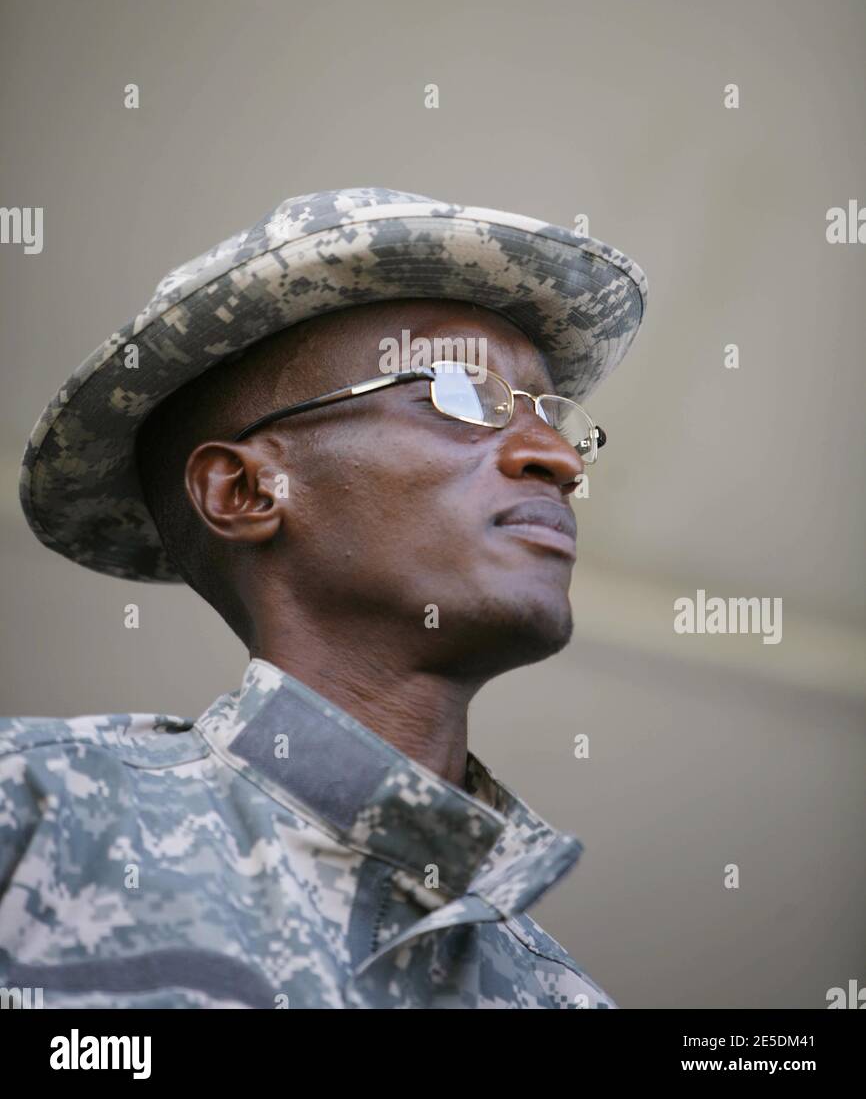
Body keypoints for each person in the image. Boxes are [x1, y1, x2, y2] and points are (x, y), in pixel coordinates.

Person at [2, 187, 647, 1009]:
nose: (557, 457)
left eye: (558, 419)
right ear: (243, 491)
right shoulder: (33, 812)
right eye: (457, 392)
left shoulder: (563, 999)